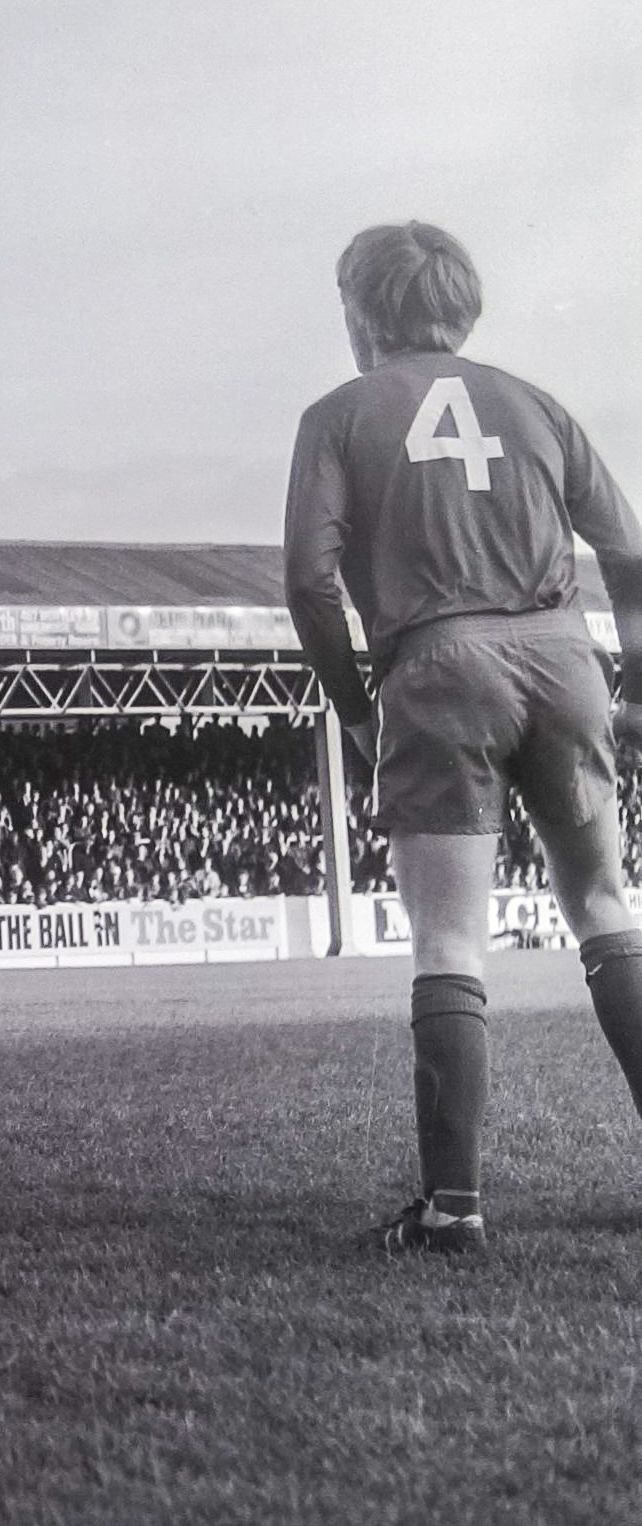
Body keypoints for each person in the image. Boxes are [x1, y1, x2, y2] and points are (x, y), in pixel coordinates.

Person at [283, 221, 642, 1256]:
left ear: (361, 314)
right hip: (560, 659)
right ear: (460, 306)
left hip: (440, 667)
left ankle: (453, 1209)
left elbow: (308, 579)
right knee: (604, 906)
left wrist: (355, 705)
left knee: (449, 940)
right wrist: (636, 688)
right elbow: (624, 549)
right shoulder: (535, 403)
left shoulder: (339, 413)